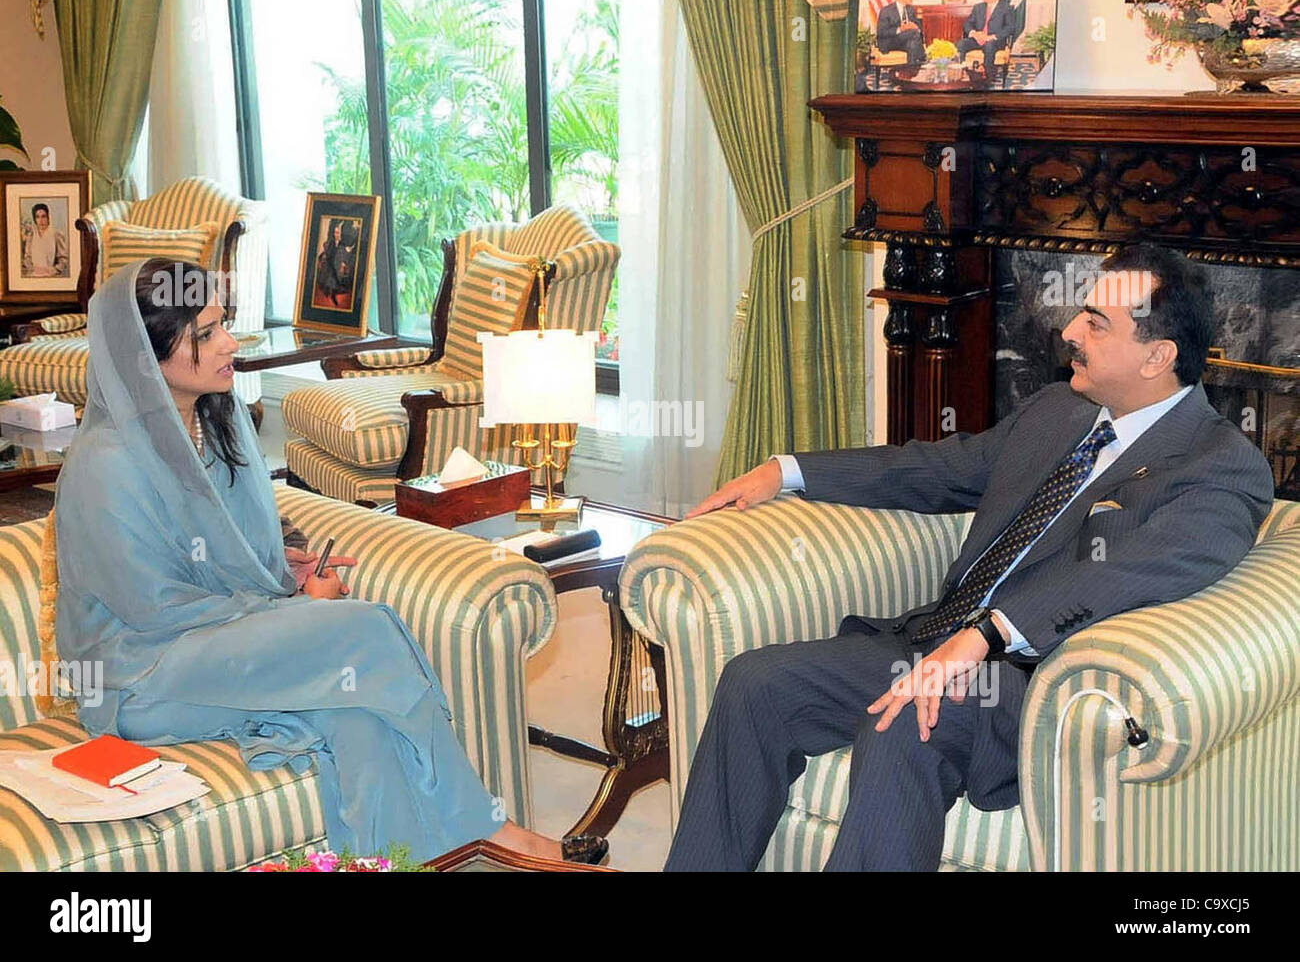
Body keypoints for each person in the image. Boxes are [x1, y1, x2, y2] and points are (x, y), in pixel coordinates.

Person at [664, 243, 1274, 871]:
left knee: (905, 724)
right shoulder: (1061, 410)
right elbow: (941, 469)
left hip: (1026, 685)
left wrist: (988, 634)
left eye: (1095, 322)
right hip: (932, 642)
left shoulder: (1217, 466)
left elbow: (1132, 570)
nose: (1069, 332)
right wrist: (786, 472)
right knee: (754, 683)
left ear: (1158, 356)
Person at [53, 257, 608, 866]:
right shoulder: (105, 464)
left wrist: (287, 568)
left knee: (359, 720)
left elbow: (237, 540)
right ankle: (497, 832)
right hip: (143, 675)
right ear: (146, 357)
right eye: (206, 334)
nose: (230, 343)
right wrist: (291, 609)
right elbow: (155, 608)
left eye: (223, 324)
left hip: (220, 646)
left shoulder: (221, 419)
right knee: (365, 629)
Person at [956, 0, 1014, 71]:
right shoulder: (978, 7)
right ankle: (963, 71)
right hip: (978, 39)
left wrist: (992, 37)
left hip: (995, 41)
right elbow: (968, 23)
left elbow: (1010, 27)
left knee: (989, 46)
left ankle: (987, 76)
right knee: (960, 44)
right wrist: (974, 33)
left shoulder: (1006, 8)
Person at [875, 0, 925, 65]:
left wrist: (916, 27)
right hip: (890, 41)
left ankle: (910, 69)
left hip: (905, 42)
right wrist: (900, 29)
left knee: (912, 44)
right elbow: (881, 32)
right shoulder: (886, 11)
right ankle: (922, 57)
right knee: (913, 34)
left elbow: (919, 28)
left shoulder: (910, 10)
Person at [22, 202, 69, 278]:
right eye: (37, 217)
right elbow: (27, 258)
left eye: (43, 216)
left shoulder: (56, 235)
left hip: (51, 276)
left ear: (48, 217)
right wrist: (32, 269)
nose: (41, 220)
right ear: (35, 219)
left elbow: (63, 259)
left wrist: (54, 270)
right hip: (34, 275)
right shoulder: (31, 236)